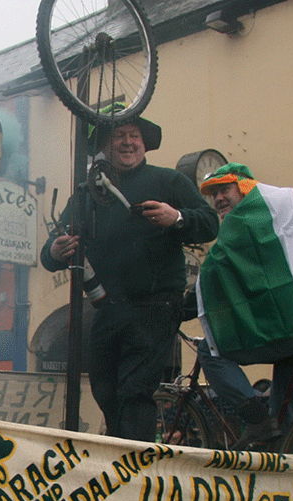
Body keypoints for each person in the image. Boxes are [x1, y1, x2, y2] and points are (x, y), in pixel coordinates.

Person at [40, 106, 219, 441]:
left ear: (144, 143)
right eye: (118, 136)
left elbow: (209, 224)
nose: (127, 142)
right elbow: (50, 252)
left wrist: (176, 216)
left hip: (156, 304)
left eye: (133, 135)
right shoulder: (87, 192)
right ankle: (129, 458)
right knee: (105, 389)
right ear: (105, 146)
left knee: (135, 392)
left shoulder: (168, 181)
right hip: (107, 307)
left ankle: (134, 472)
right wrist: (55, 249)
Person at [191, 163, 293, 446]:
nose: (218, 199)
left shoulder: (247, 220)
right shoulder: (283, 216)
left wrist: (183, 306)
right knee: (284, 425)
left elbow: (215, 270)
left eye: (224, 189)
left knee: (210, 351)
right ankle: (289, 465)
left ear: (245, 188)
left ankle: (255, 417)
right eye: (212, 195)